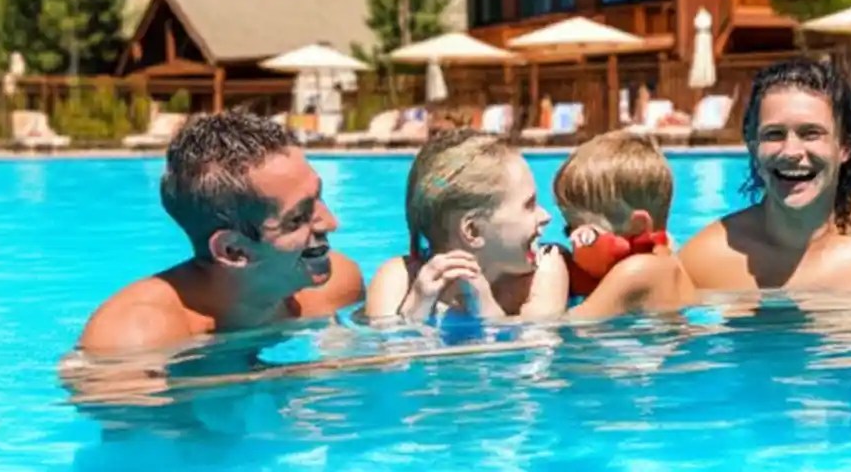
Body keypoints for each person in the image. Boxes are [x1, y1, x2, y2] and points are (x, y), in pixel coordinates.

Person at [73, 110, 365, 358]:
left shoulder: (337, 288)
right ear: (233, 251)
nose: (331, 222)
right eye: (298, 218)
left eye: (319, 196)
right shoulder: (135, 339)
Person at [677, 57, 851, 292]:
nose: (791, 151)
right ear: (753, 148)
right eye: (774, 134)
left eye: (811, 133)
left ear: (845, 147)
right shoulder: (705, 260)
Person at [364, 129, 570, 323]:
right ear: (473, 231)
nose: (546, 216)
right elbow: (390, 356)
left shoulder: (545, 272)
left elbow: (537, 347)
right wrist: (417, 308)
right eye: (529, 205)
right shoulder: (399, 280)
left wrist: (485, 307)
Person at [554, 130, 698, 317]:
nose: (573, 243)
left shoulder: (639, 271)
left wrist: (548, 281)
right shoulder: (664, 255)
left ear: (637, 226)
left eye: (584, 233)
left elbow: (565, 328)